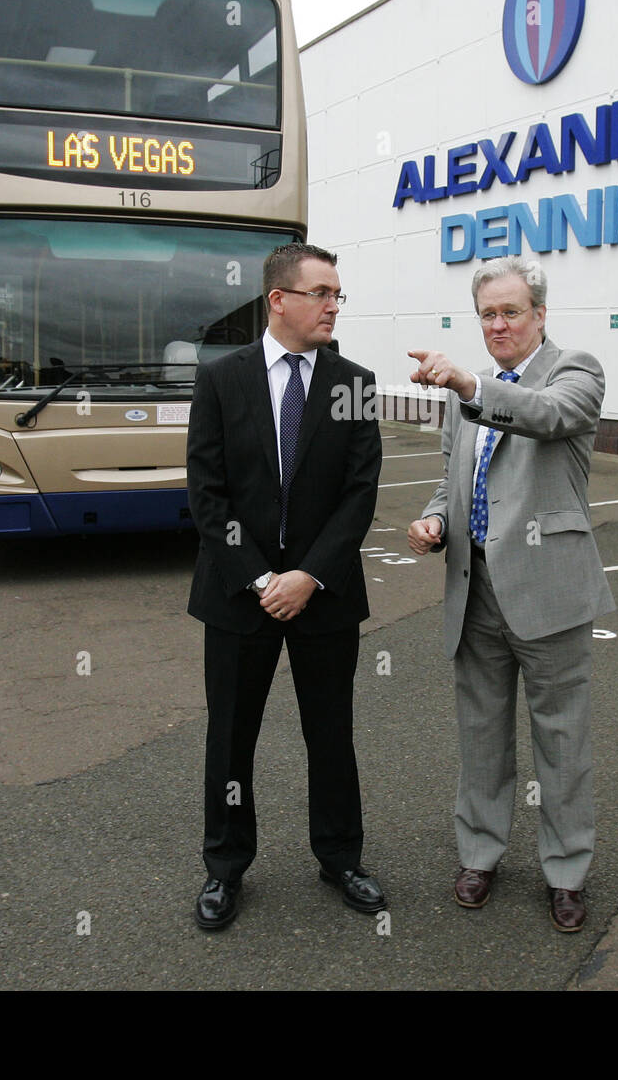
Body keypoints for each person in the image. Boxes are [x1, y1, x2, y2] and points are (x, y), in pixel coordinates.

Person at [406, 255, 615, 933]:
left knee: (562, 742)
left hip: (549, 591)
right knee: (481, 737)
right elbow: (453, 476)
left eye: (511, 311)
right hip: (477, 591)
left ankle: (566, 872)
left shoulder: (575, 371)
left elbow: (546, 417)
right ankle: (480, 854)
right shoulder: (469, 394)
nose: (498, 324)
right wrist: (437, 516)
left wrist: (470, 382)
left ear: (540, 314)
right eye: (488, 313)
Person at [187, 240, 385, 930]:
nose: (334, 305)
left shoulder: (354, 382)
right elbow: (207, 495)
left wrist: (307, 576)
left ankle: (341, 857)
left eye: (338, 295)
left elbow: (359, 497)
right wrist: (263, 578)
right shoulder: (220, 379)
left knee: (331, 733)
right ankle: (225, 868)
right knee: (230, 738)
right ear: (280, 300)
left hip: (324, 595)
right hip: (239, 597)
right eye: (322, 293)